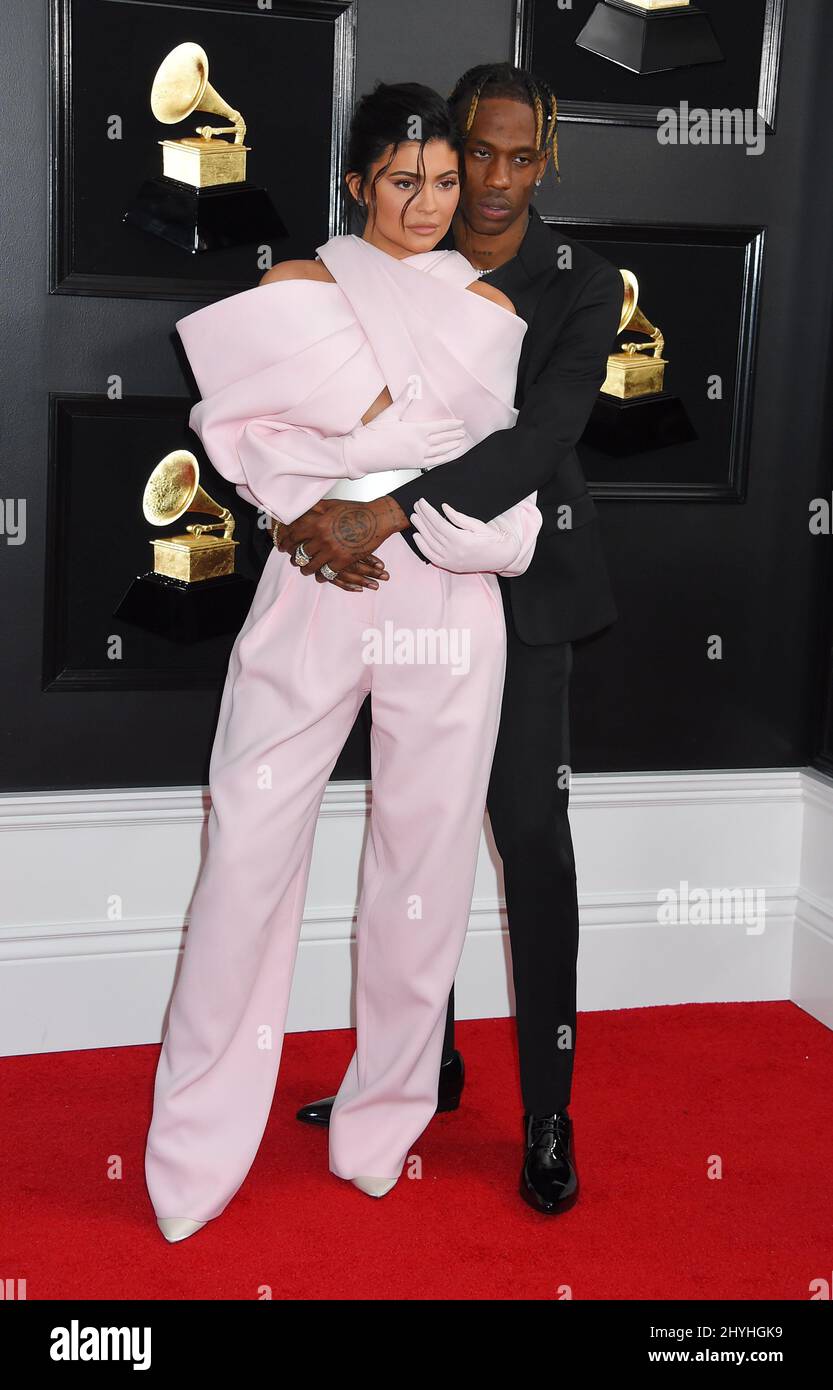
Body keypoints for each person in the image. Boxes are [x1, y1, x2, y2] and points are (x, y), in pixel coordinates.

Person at [143, 81, 542, 1243]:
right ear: (358, 182)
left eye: (444, 181)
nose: (429, 202)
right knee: (245, 855)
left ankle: (383, 1121)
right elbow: (238, 433)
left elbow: (503, 508)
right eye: (403, 180)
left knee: (421, 872)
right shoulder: (293, 286)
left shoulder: (489, 313)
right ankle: (193, 1146)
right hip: (311, 583)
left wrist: (384, 484)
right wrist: (314, 508)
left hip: (449, 601)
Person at [285, 63, 625, 1215]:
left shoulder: (583, 282)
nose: (488, 179)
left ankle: (545, 1112)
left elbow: (538, 440)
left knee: (528, 842)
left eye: (515, 156)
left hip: (517, 600)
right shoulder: (394, 250)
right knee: (412, 838)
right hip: (388, 596)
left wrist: (383, 506)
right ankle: (407, 1073)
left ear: (547, 158)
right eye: (472, 152)